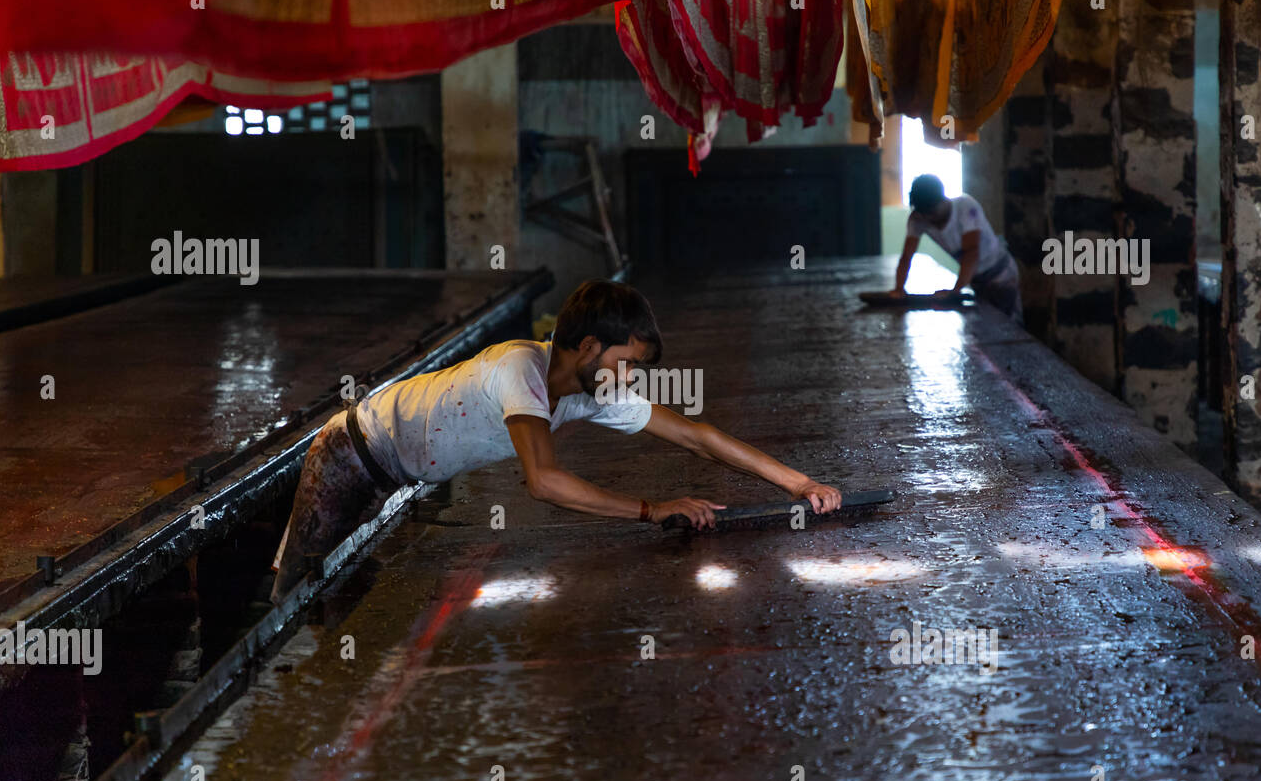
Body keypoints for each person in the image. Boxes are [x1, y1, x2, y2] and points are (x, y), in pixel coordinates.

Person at [270, 279, 843, 602]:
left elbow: (696, 437)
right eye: (626, 362)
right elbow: (542, 482)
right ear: (589, 348)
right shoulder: (520, 369)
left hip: (392, 473)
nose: (630, 378)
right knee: (292, 593)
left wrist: (800, 483)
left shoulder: (592, 391)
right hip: (348, 453)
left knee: (329, 587)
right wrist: (653, 510)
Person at [882, 174, 1023, 323]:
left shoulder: (966, 206)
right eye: (924, 214)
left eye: (932, 212)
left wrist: (955, 290)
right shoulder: (918, 219)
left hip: (1001, 275)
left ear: (943, 199)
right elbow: (906, 257)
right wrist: (899, 288)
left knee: (1009, 325)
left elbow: (971, 252)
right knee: (986, 326)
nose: (929, 218)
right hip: (977, 279)